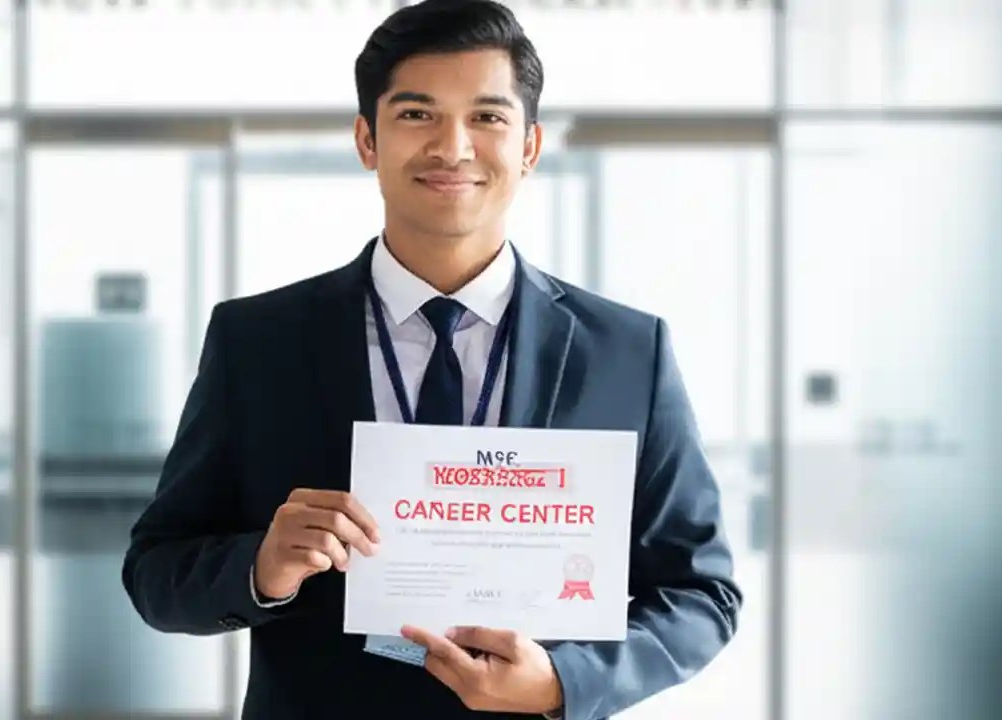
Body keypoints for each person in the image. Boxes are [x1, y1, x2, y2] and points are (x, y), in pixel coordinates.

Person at [121, 1, 742, 717]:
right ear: (367, 139)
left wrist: (565, 683)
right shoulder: (257, 341)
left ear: (530, 146)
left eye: (487, 117)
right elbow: (156, 573)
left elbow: (701, 594)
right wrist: (262, 566)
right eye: (417, 115)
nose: (453, 147)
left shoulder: (629, 352)